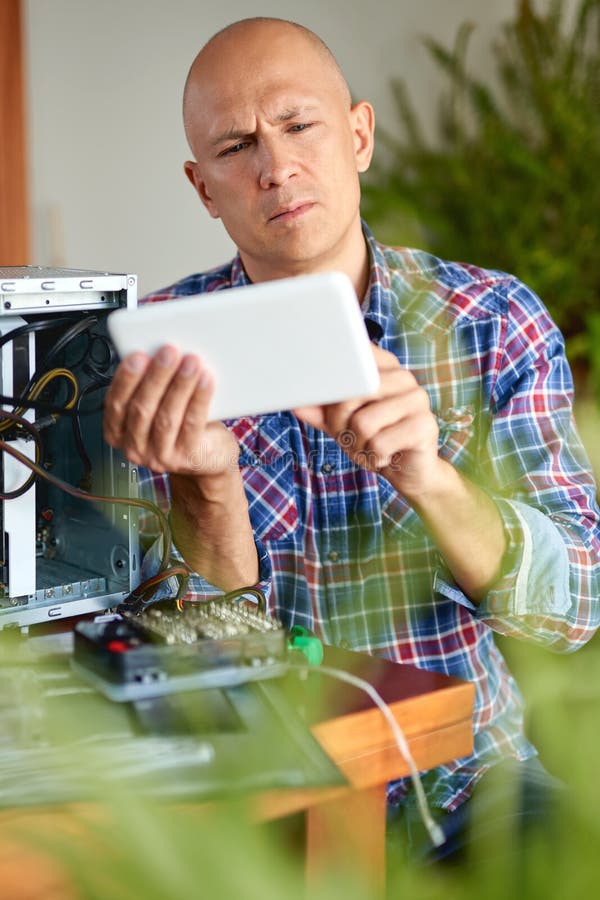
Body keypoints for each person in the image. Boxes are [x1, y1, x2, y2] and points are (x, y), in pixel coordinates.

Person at [103, 17, 600, 861]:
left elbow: (575, 609)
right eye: (236, 146)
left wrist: (431, 479)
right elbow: (171, 668)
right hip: (254, 801)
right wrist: (208, 490)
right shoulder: (154, 362)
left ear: (359, 136)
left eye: (299, 125)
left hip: (468, 783)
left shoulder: (492, 322)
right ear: (203, 188)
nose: (275, 167)